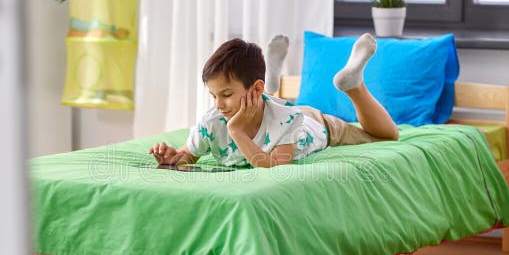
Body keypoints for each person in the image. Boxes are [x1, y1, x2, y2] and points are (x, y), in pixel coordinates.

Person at [149, 33, 399, 168]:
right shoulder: (212, 121)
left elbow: (271, 167)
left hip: (316, 124)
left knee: (387, 136)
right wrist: (173, 157)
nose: (218, 104)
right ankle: (269, 85)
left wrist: (236, 130)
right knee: (262, 107)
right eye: (213, 96)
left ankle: (354, 86)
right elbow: (188, 155)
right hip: (264, 106)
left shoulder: (287, 121)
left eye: (226, 95)